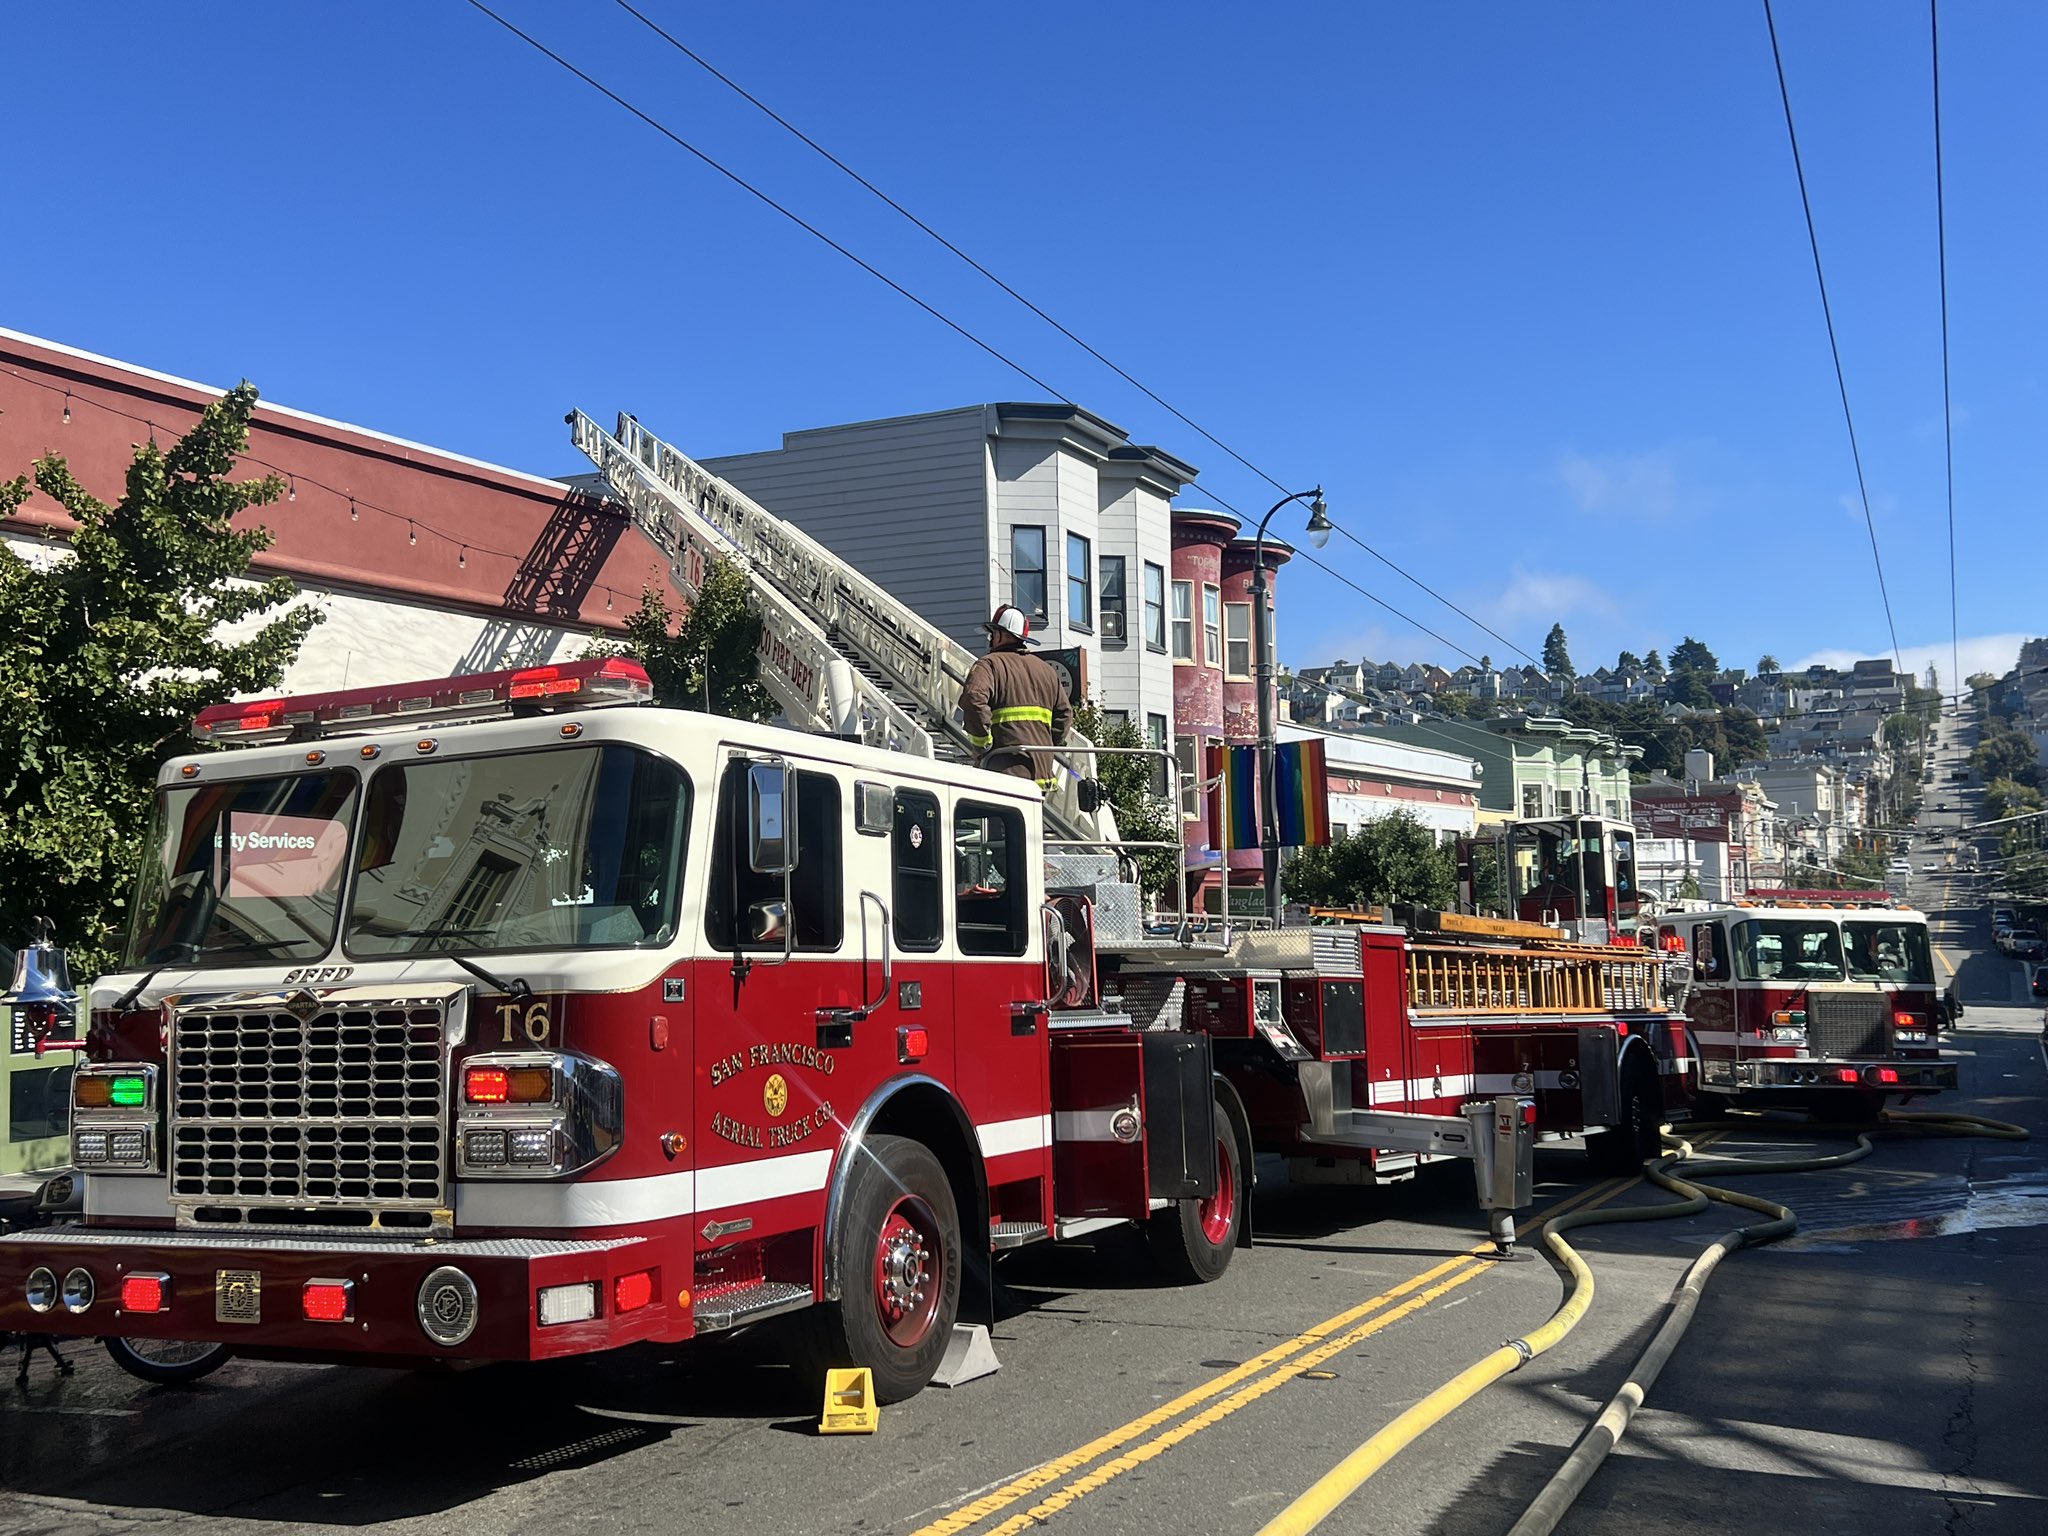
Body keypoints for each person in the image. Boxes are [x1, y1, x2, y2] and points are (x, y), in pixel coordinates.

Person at [961, 604, 1071, 791]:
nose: (991, 639)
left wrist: (981, 744)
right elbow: (1065, 714)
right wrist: (1047, 747)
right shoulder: (1046, 670)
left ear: (1000, 635)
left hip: (1005, 776)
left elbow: (974, 698)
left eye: (993, 633)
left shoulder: (989, 665)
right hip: (1041, 777)